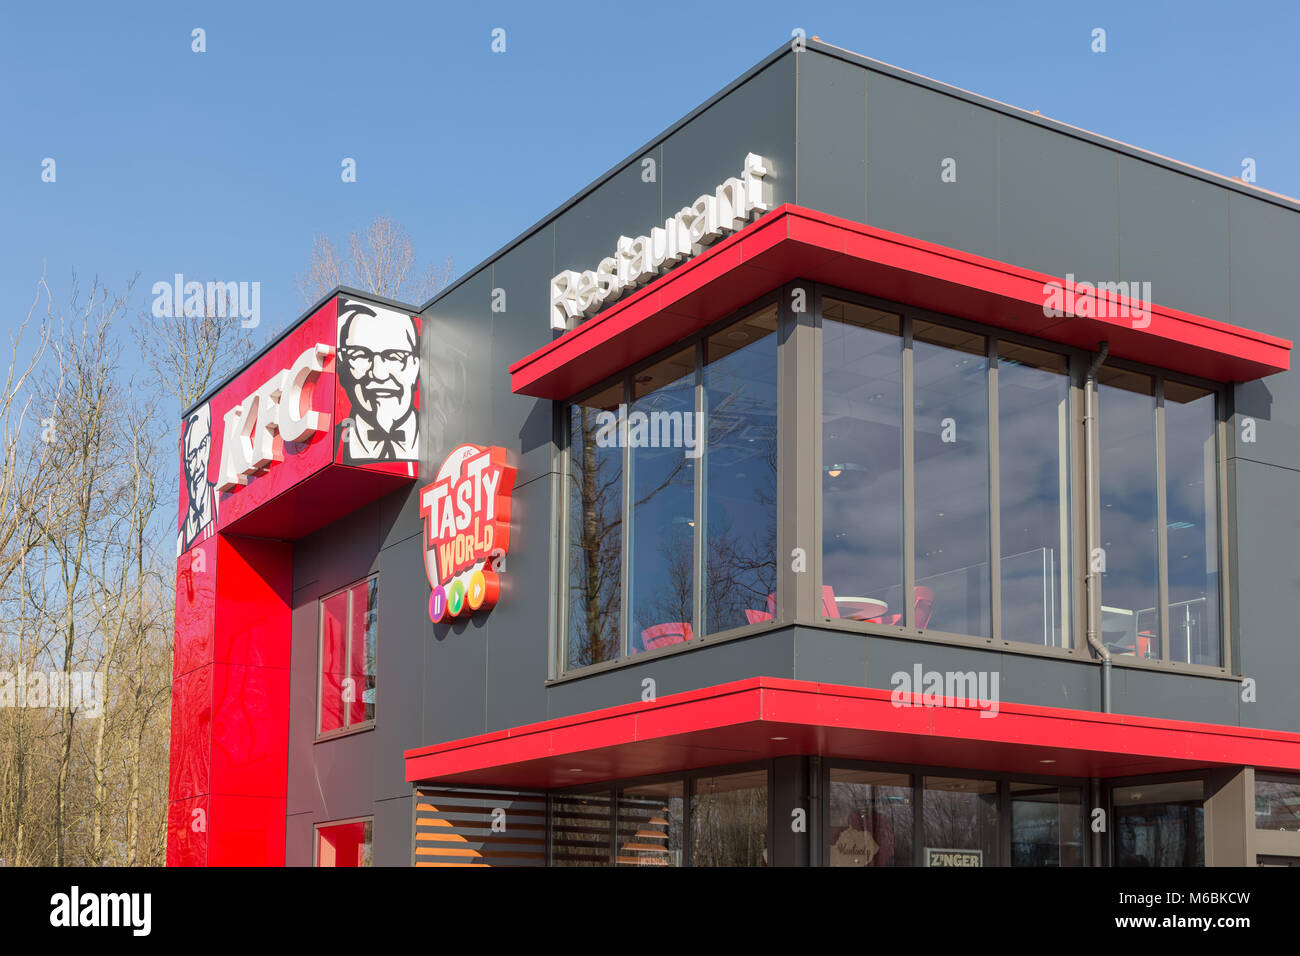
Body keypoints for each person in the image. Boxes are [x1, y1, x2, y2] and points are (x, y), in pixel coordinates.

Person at [335, 298, 420, 463]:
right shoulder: (331, 445)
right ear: (342, 364)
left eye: (395, 356)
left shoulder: (446, 439)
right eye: (360, 355)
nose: (379, 373)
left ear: (415, 365)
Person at [178, 403, 217, 554]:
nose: (197, 464)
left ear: (208, 446)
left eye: (201, 448)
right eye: (191, 456)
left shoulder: (222, 504)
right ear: (186, 464)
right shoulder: (182, 539)